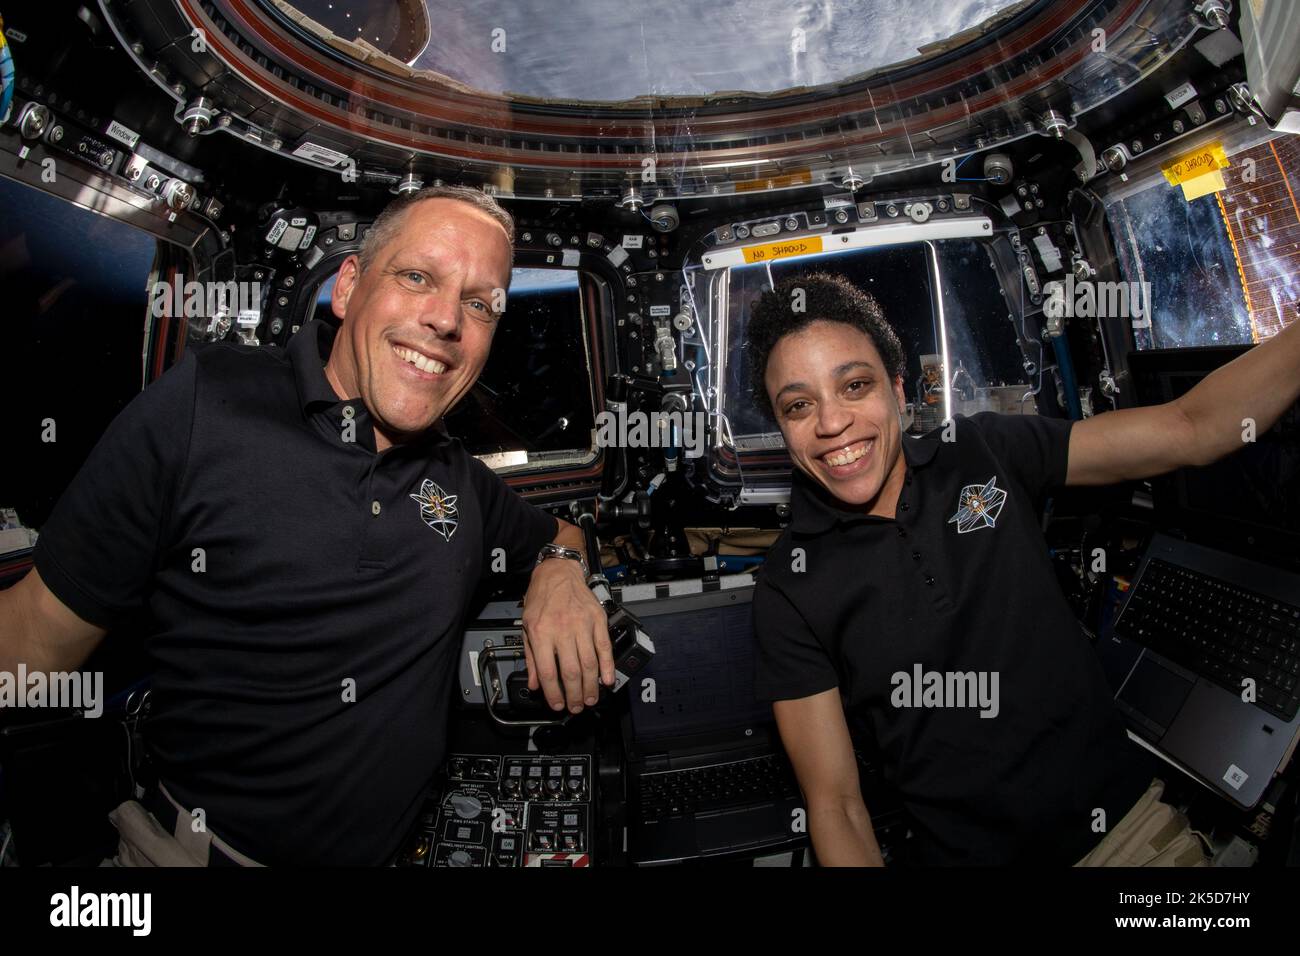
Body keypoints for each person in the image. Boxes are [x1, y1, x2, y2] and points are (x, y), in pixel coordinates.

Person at [0, 186, 612, 866]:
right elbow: (30, 648)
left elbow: (562, 533)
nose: (445, 320)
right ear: (349, 287)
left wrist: (561, 574)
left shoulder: (462, 484)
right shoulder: (206, 406)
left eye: (479, 303)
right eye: (417, 277)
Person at [745, 271, 1300, 866]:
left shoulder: (984, 450)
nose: (832, 424)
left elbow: (1190, 428)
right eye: (799, 404)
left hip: (1128, 841)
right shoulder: (788, 588)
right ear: (781, 426)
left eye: (855, 385)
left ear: (899, 389)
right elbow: (836, 807)